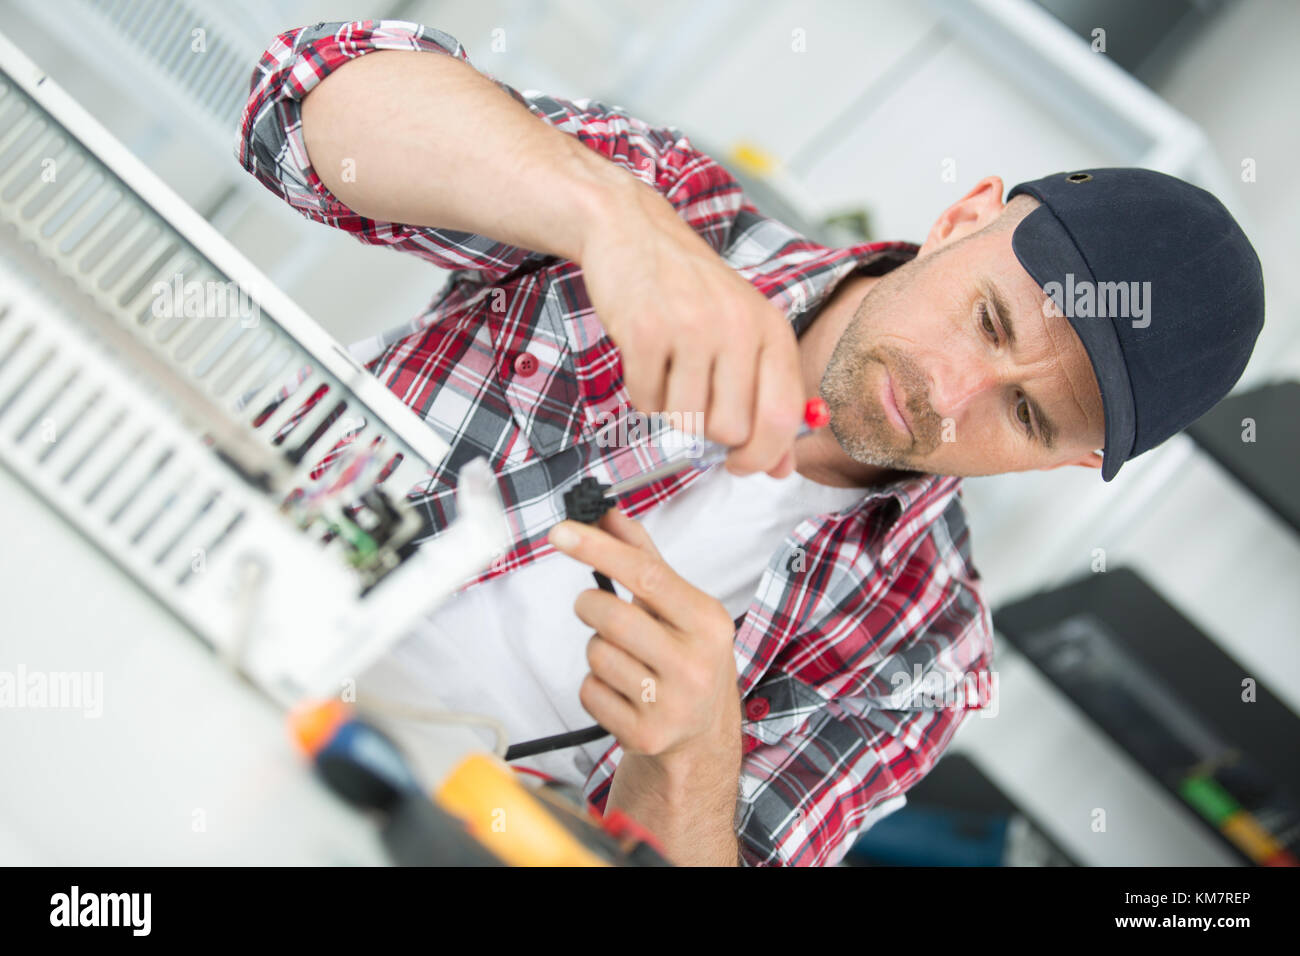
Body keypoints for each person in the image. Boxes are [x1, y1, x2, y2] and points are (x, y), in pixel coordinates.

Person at [237, 19, 1264, 866]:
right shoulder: (677, 207)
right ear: (961, 217)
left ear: (1063, 464)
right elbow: (294, 100)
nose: (946, 394)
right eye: (990, 320)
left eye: (1027, 414)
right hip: (192, 559)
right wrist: (607, 216)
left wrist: (690, 759)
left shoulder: (922, 649)